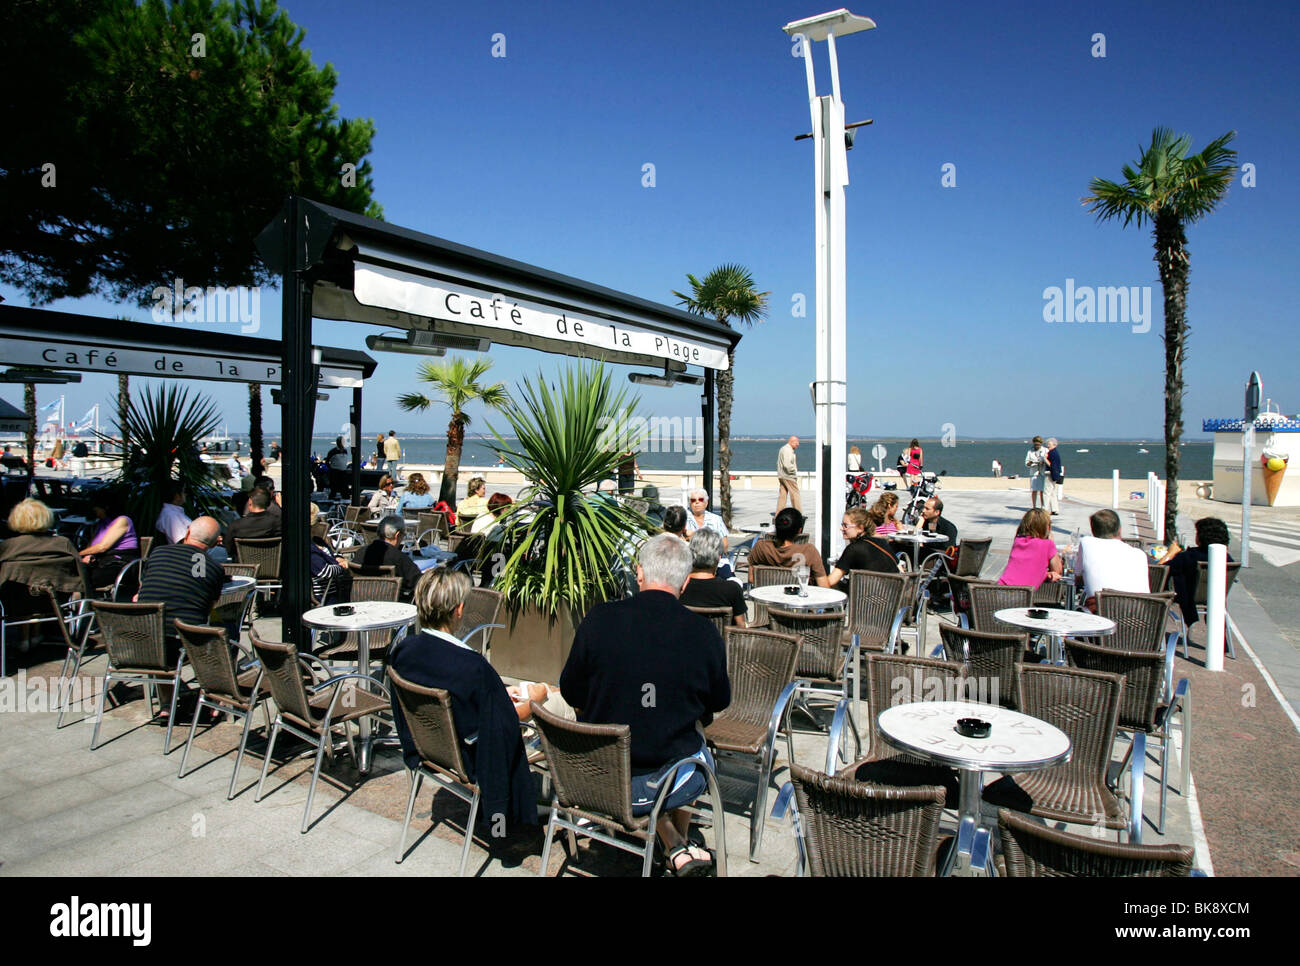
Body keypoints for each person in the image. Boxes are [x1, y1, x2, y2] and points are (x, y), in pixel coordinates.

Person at [560, 534, 729, 876]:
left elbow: (570, 690)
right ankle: (676, 845)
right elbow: (719, 701)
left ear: (639, 573)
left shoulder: (599, 619)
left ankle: (675, 846)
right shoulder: (702, 633)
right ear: (684, 582)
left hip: (597, 771)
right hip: (667, 778)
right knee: (697, 741)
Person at [388, 568, 537, 832]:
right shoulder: (474, 667)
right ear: (458, 610)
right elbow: (505, 725)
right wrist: (535, 701)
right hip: (471, 755)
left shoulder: (403, 652)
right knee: (551, 706)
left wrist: (500, 694)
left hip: (431, 747)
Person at [135, 516, 227, 713]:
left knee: (162, 636)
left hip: (141, 641)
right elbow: (208, 607)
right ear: (214, 544)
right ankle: (216, 699)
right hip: (187, 642)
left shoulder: (158, 552)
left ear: (186, 534)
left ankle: (167, 704)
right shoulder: (213, 568)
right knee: (227, 631)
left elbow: (142, 590)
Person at [0, 499, 83, 653]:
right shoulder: (63, 543)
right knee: (39, 583)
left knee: (20, 584)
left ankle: (24, 638)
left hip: (15, 602)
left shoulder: (8, 546)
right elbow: (79, 574)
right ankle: (36, 634)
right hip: (55, 601)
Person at [1159, 517, 1233, 629]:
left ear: (1200, 537)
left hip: (1187, 596)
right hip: (1215, 597)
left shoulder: (1189, 556)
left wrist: (1171, 553)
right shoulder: (1227, 559)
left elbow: (1161, 570)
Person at [1074, 508, 1148, 612]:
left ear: (1093, 531)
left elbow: (1077, 579)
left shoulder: (1086, 543)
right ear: (1119, 529)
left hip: (1102, 616)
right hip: (1138, 617)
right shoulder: (1140, 555)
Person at [679, 529, 746, 627]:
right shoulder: (732, 589)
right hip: (721, 641)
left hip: (684, 640)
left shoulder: (678, 588)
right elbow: (741, 627)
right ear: (719, 558)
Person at [749, 507, 830, 588]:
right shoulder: (809, 551)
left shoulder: (760, 547)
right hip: (799, 598)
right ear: (799, 530)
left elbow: (751, 579)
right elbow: (824, 586)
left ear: (776, 528)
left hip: (767, 598)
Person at [825, 507, 898, 591]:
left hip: (866, 600)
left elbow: (830, 582)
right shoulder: (882, 542)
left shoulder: (853, 549)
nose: (842, 528)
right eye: (842, 525)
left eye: (845, 525)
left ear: (860, 528)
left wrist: (816, 577)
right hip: (893, 597)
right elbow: (899, 569)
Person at [79, 490, 140, 588]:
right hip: (103, 561)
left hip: (120, 562)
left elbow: (102, 547)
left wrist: (77, 554)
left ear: (106, 507)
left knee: (86, 578)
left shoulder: (122, 520)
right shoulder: (102, 523)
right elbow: (92, 546)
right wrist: (88, 555)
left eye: (96, 509)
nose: (95, 512)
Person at [998, 508, 1062, 588]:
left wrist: (1045, 574)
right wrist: (1051, 542)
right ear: (1046, 527)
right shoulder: (1047, 544)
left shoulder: (1018, 541)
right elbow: (1057, 571)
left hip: (1002, 588)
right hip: (1021, 595)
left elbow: (1026, 568)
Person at [309, 504, 350, 606]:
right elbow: (325, 572)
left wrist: (338, 558)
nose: (321, 524)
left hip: (334, 590)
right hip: (324, 597)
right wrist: (342, 566)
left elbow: (331, 555)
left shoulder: (318, 541)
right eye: (318, 521)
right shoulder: (308, 549)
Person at [776, 435, 801, 514]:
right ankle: (798, 514)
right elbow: (787, 465)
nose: (798, 444)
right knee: (795, 495)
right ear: (791, 442)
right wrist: (794, 472)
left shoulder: (783, 449)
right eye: (797, 443)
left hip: (782, 475)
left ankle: (778, 514)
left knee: (783, 495)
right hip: (788, 476)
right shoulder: (788, 450)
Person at [1025, 436, 1049, 510]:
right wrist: (1030, 463)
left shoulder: (1045, 450)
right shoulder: (1030, 451)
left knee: (1042, 490)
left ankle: (1043, 506)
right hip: (1034, 472)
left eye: (1038, 445)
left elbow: (1048, 461)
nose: (1037, 446)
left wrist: (1043, 462)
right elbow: (1026, 463)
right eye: (1035, 445)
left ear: (1041, 444)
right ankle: (1034, 506)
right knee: (1034, 490)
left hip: (1042, 472)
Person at [1045, 437, 1065, 516]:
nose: (1048, 446)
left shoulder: (1052, 453)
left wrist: (1044, 458)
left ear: (1054, 445)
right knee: (1053, 492)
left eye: (1049, 444)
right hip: (1054, 474)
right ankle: (1055, 509)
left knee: (1047, 492)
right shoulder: (1055, 452)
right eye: (1047, 444)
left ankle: (1045, 509)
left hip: (1050, 474)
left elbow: (1051, 465)